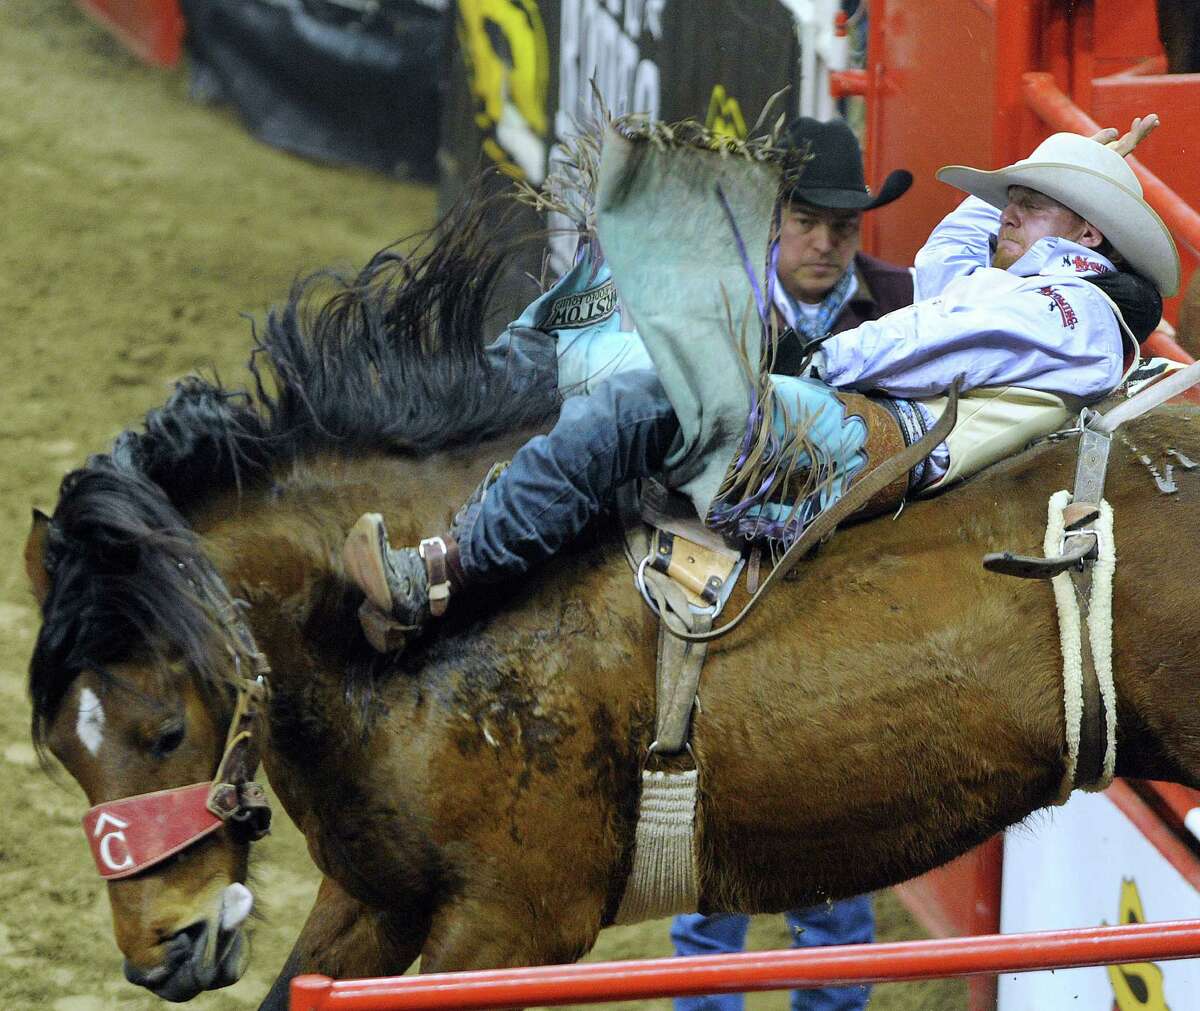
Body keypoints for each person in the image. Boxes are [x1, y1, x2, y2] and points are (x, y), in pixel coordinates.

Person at [342, 114, 1173, 633]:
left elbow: (945, 330)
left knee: (644, 400)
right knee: (611, 379)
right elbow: (950, 264)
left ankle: (453, 567)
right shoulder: (1048, 294)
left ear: (1087, 236)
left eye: (1031, 204)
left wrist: (813, 357)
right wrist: (1060, 174)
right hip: (874, 426)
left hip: (879, 436)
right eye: (1010, 199)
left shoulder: (1064, 308)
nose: (1008, 213)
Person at [668, 115, 913, 1011]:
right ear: (774, 221)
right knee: (713, 825)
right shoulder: (717, 303)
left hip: (851, 595)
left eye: (842, 226)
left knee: (836, 829)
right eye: (807, 221)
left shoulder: (904, 301)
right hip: (725, 592)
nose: (824, 243)